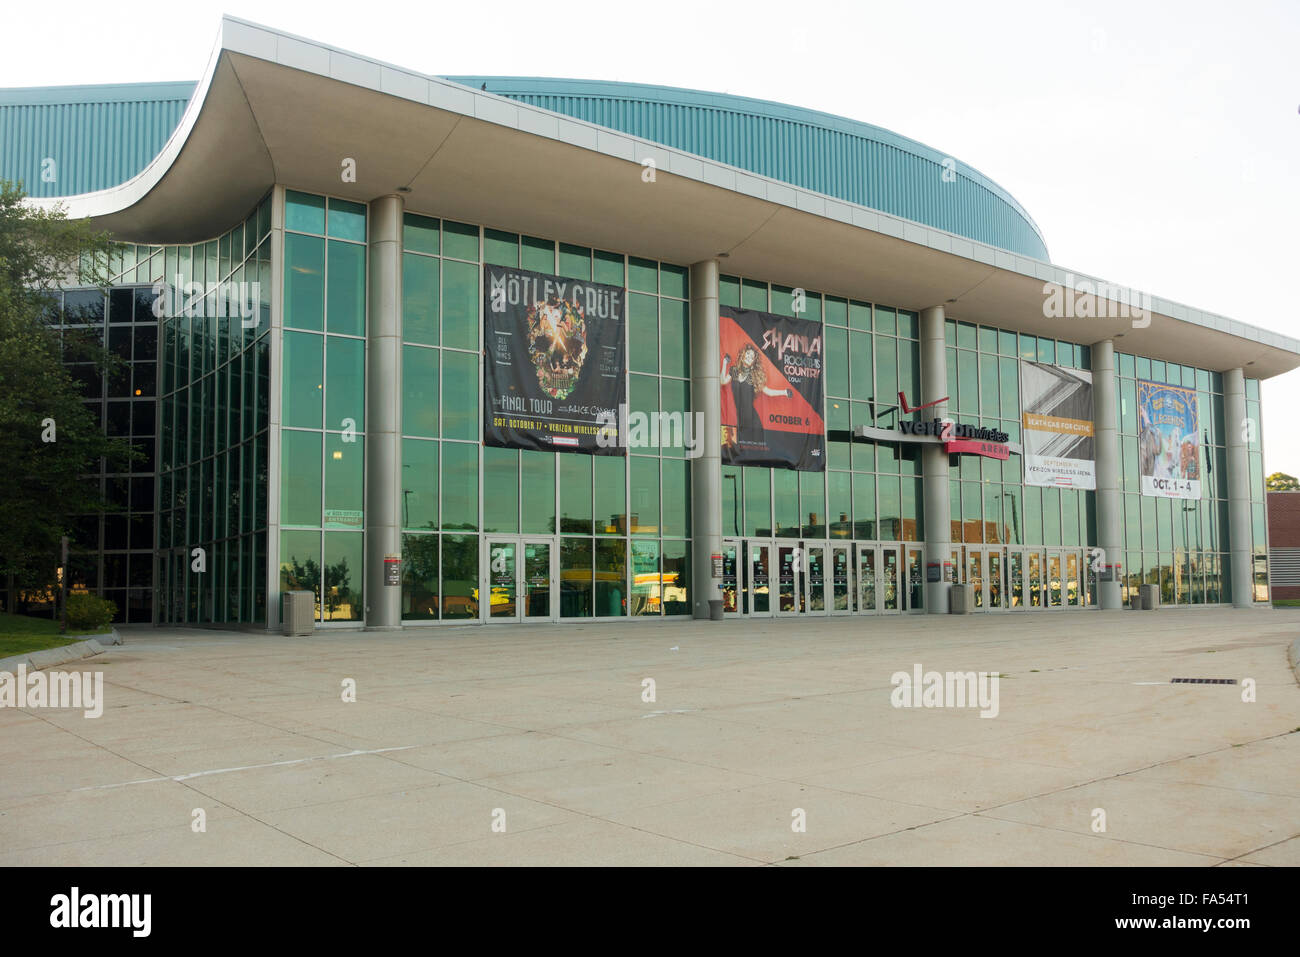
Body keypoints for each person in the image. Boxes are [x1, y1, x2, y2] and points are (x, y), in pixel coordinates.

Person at [721, 344, 791, 450]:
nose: (749, 357)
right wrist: (724, 363)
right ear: (743, 354)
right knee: (740, 450)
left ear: (753, 361)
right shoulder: (734, 370)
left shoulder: (754, 376)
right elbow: (722, 381)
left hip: (753, 421)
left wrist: (785, 392)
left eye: (752, 357)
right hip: (740, 420)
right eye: (748, 354)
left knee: (754, 451)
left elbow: (769, 392)